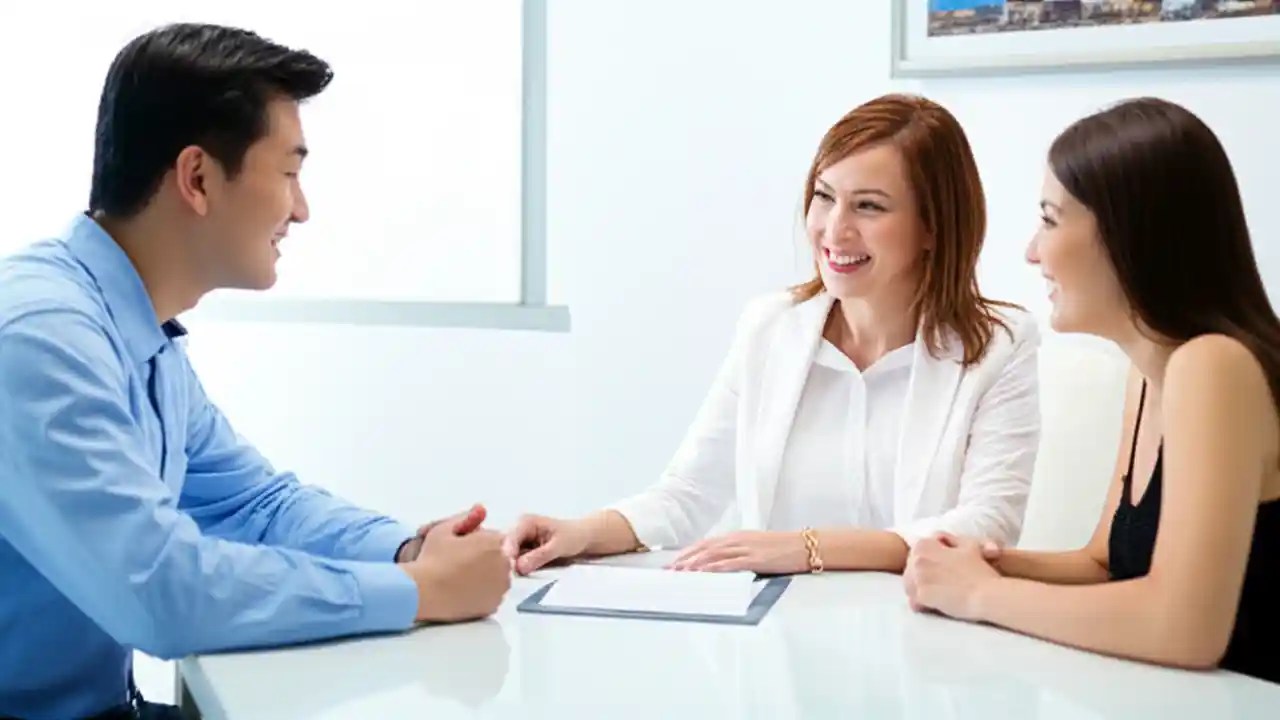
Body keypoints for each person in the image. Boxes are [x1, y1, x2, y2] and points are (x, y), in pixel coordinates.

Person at [0, 24, 510, 720]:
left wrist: (411, 550)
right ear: (199, 179)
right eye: (291, 173)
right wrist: (420, 593)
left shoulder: (139, 338)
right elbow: (160, 593)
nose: (302, 209)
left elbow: (253, 505)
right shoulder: (41, 339)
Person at [504, 94, 1041, 577]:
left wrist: (809, 548)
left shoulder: (999, 345)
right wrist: (580, 533)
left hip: (920, 639)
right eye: (824, 196)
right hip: (779, 641)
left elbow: (985, 525)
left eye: (869, 206)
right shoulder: (770, 327)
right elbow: (689, 492)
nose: (834, 229)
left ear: (934, 227)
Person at [904, 97, 1280, 684]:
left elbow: (1184, 627)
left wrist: (981, 595)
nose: (1033, 250)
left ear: (1131, 232)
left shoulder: (1214, 367)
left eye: (1050, 220)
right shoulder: (1149, 372)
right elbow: (1106, 564)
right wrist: (981, 564)